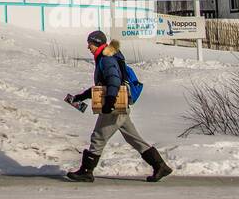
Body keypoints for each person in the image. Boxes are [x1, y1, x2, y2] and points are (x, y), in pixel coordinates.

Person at [65, 30, 172, 183]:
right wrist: (81, 97)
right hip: (119, 103)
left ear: (96, 43)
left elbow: (114, 80)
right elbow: (102, 85)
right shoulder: (105, 57)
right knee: (134, 138)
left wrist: (109, 102)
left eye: (90, 43)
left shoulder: (106, 59)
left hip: (114, 105)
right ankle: (160, 166)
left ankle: (86, 171)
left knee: (98, 137)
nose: (88, 47)